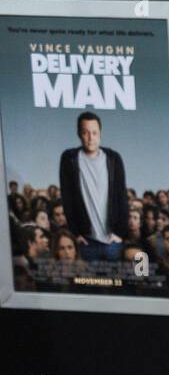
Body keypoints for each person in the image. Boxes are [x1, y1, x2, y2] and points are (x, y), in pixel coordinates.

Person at [58, 112, 129, 265]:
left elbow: (121, 196)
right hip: (86, 242)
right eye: (85, 132)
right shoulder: (69, 158)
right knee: (88, 287)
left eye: (95, 132)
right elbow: (67, 198)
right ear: (79, 134)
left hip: (112, 241)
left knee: (117, 287)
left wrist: (120, 233)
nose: (91, 137)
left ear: (100, 133)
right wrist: (76, 233)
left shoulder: (113, 158)